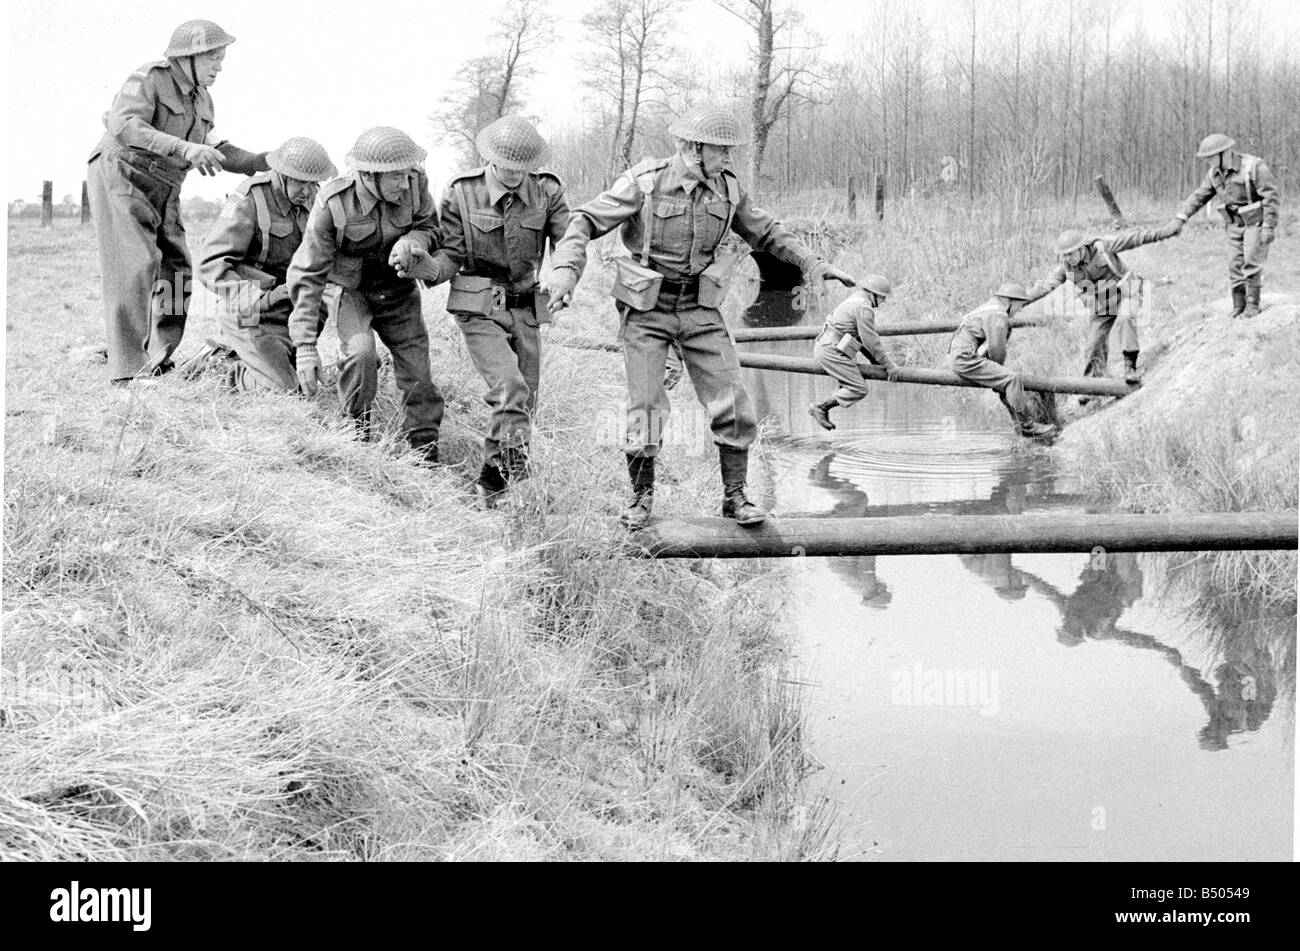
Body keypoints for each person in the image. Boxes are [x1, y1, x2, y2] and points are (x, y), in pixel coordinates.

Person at [541, 104, 857, 529]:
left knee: (733, 401)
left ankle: (735, 496)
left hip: (699, 308)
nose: (728, 159)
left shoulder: (728, 189)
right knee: (647, 406)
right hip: (646, 309)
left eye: (730, 152)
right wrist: (565, 270)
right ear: (693, 147)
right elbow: (583, 220)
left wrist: (813, 263)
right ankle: (640, 498)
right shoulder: (646, 183)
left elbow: (766, 231)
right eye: (721, 151)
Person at [88, 19, 269, 384]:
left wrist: (259, 162)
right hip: (122, 175)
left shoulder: (203, 100)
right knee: (135, 266)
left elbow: (217, 149)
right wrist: (184, 148)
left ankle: (157, 357)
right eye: (213, 58)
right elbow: (124, 125)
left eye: (221, 58)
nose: (219, 66)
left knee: (177, 272)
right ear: (188, 57)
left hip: (165, 187)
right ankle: (126, 372)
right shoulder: (149, 78)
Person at [402, 116, 569, 505]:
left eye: (521, 168)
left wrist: (565, 273)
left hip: (526, 306)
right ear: (490, 159)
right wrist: (427, 267)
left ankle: (492, 482)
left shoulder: (547, 190)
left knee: (523, 404)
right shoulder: (463, 192)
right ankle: (509, 484)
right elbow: (452, 254)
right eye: (506, 167)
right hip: (479, 308)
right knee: (510, 388)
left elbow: (569, 241)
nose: (514, 175)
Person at [286, 127, 444, 463]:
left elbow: (431, 227)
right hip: (350, 292)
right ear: (369, 176)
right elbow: (308, 270)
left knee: (418, 373)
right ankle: (357, 438)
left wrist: (412, 242)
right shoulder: (332, 201)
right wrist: (304, 345)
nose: (405, 183)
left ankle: (424, 452)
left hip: (398, 292)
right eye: (395, 177)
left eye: (406, 174)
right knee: (361, 353)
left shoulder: (415, 183)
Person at [195, 138, 337, 392]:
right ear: (282, 175)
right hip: (251, 310)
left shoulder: (313, 200)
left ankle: (244, 358)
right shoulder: (251, 198)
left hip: (289, 309)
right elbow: (210, 265)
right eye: (300, 182)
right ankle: (218, 366)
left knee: (306, 384)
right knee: (286, 391)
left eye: (312, 183)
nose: (307, 191)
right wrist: (260, 299)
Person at [1022, 225, 1179, 403]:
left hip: (1127, 294)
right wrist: (1019, 301)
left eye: (1070, 254)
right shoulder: (1065, 268)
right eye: (1063, 255)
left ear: (1081, 249)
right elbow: (1045, 287)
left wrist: (1168, 230)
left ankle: (1130, 368)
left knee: (1125, 319)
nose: (1066, 259)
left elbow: (1136, 238)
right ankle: (1091, 385)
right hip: (1102, 305)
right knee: (1093, 344)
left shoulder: (1104, 248)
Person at [1170, 133, 1281, 319]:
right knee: (1234, 264)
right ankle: (1239, 305)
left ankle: (1253, 305)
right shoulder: (1214, 174)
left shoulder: (1253, 166)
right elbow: (1199, 196)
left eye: (1211, 157)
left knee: (1251, 261)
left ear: (1225, 153)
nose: (1208, 161)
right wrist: (1181, 217)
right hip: (1234, 224)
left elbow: (1271, 197)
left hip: (1255, 222)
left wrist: (1269, 225)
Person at [947, 282, 1057, 440]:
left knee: (1005, 381)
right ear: (1009, 301)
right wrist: (999, 370)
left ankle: (1019, 426)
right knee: (1011, 379)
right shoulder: (998, 314)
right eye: (1019, 305)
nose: (1019, 310)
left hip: (962, 356)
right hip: (965, 358)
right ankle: (1028, 425)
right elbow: (997, 348)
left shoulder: (991, 307)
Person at [808, 274, 902, 431]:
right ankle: (821, 407)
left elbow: (859, 338)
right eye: (882, 297)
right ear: (873, 294)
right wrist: (889, 365)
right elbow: (870, 340)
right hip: (831, 351)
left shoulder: (855, 300)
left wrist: (876, 361)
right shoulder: (864, 307)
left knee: (851, 384)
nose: (883, 301)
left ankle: (823, 407)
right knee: (859, 388)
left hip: (827, 346)